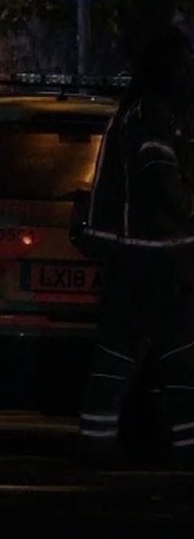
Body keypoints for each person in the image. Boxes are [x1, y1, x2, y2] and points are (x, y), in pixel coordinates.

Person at [80, 25, 194, 466]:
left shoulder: (138, 112)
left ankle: (98, 447)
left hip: (137, 263)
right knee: (179, 364)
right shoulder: (154, 116)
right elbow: (159, 172)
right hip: (156, 263)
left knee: (120, 363)